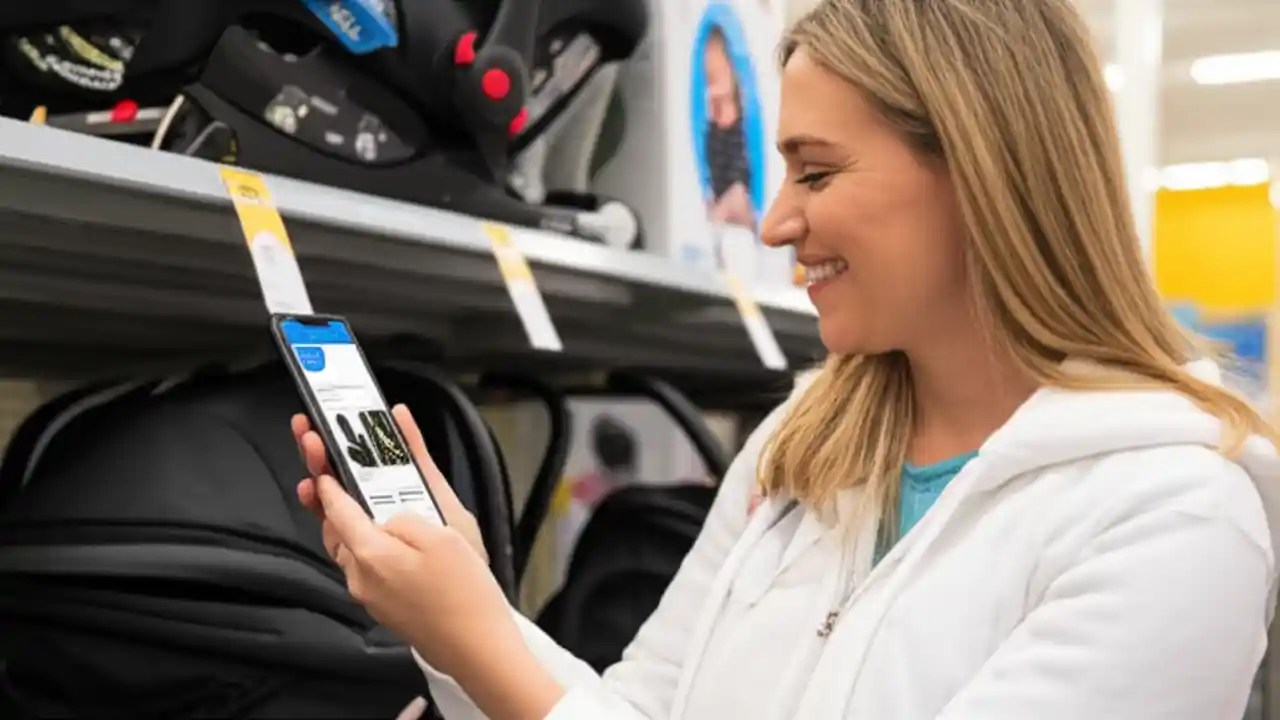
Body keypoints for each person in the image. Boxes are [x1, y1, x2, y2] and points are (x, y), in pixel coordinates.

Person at [292, 0, 1280, 717]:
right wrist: (466, 624)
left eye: (815, 171)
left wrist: (477, 636)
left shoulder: (1170, 516)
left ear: (977, 169)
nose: (770, 222)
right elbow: (641, 711)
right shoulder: (803, 451)